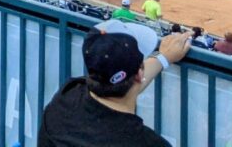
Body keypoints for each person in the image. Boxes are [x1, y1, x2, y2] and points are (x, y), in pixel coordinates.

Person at [39, 20, 192, 147]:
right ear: (140, 74)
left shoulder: (64, 99)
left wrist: (163, 58)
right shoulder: (149, 143)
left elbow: (118, 84)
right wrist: (163, 57)